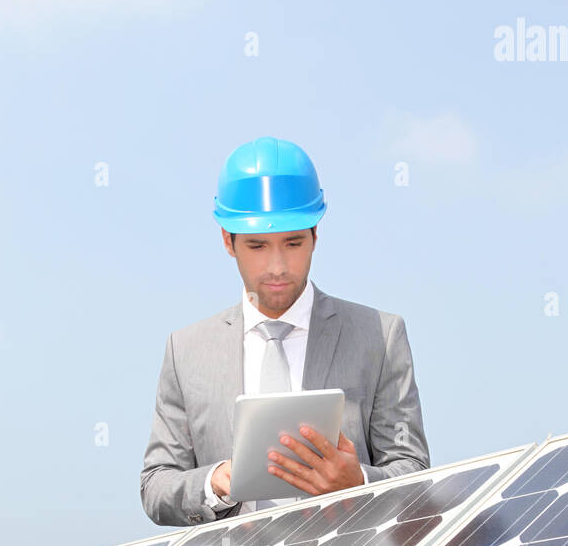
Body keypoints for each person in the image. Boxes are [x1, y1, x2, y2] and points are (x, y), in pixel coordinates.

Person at [140, 136, 430, 525]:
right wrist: (215, 482)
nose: (277, 267)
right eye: (258, 246)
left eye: (292, 243)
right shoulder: (186, 351)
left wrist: (358, 481)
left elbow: (412, 473)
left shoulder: (380, 336)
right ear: (228, 241)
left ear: (315, 235)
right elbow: (157, 485)